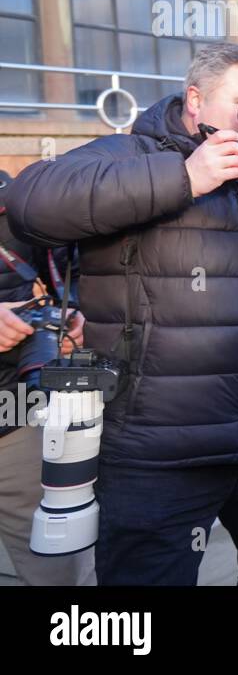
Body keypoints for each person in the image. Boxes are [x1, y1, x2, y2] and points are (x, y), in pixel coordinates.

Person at [6, 43, 238, 586]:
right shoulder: (127, 156)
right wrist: (184, 178)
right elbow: (33, 203)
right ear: (194, 100)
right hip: (155, 452)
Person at [0, 173, 93, 586]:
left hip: (13, 418)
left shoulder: (21, 204)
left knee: (56, 568)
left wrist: (74, 317)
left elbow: (67, 286)